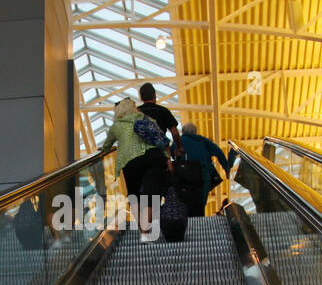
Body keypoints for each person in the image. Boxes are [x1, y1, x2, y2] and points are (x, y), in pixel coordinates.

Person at [99, 96, 168, 232]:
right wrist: (167, 158)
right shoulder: (146, 119)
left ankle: (143, 228)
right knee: (152, 191)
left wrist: (102, 151)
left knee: (134, 194)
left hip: (130, 161)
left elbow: (106, 146)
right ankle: (145, 226)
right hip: (153, 156)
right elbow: (158, 139)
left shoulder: (116, 126)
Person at [175, 123, 231, 216]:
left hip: (186, 173)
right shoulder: (203, 140)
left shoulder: (180, 141)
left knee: (187, 198)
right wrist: (226, 168)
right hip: (203, 173)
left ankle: (188, 219)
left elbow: (171, 153)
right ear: (195, 132)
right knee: (201, 198)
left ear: (183, 132)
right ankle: (199, 218)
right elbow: (218, 152)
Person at [137, 82, 184, 158]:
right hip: (160, 152)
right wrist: (179, 147)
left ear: (141, 97)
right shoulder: (163, 111)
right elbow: (174, 133)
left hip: (140, 153)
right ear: (154, 95)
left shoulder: (136, 112)